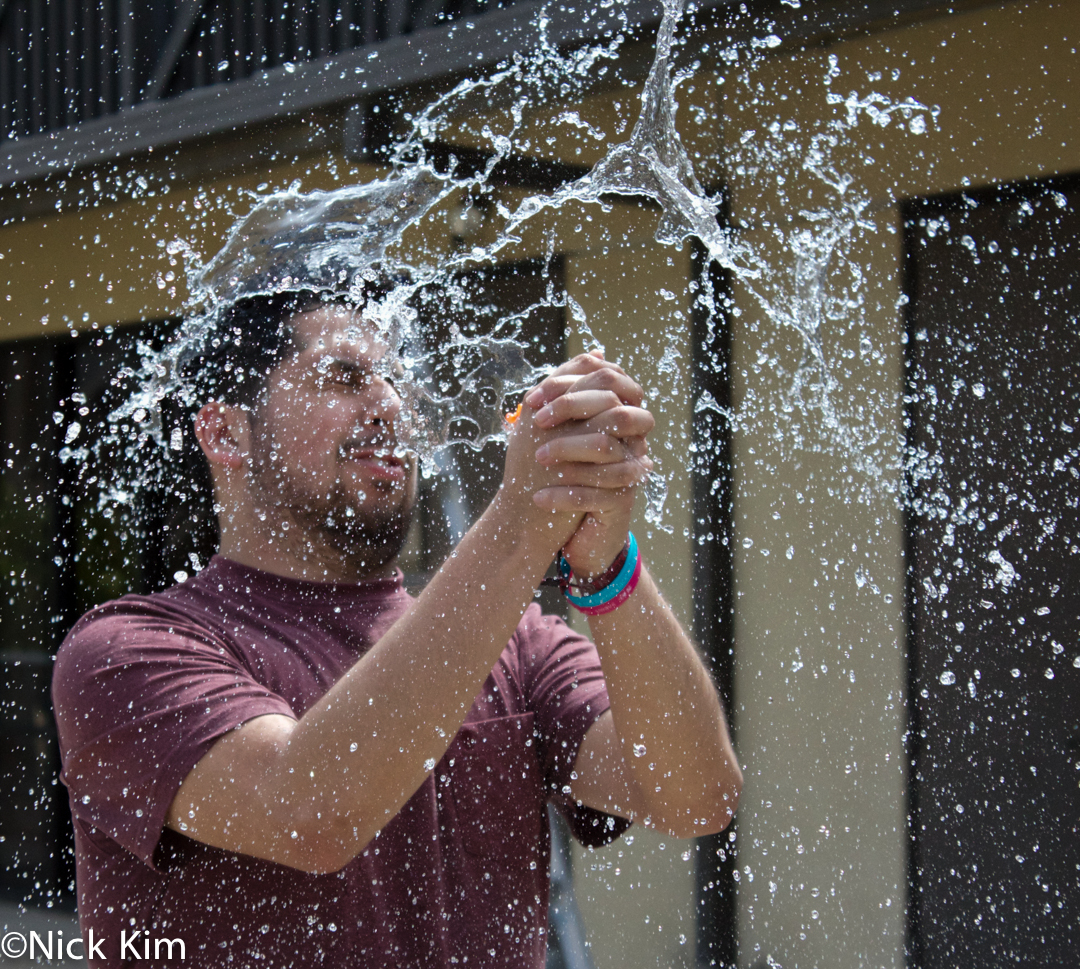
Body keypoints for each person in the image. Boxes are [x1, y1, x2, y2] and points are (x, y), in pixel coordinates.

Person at [52, 285, 741, 968]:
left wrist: (608, 565)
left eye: (394, 380)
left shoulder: (519, 643)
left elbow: (697, 795)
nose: (388, 404)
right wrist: (526, 517)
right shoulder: (125, 652)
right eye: (346, 377)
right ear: (227, 433)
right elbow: (311, 810)